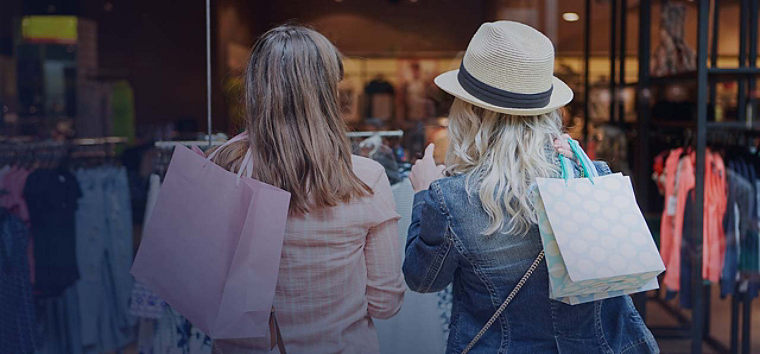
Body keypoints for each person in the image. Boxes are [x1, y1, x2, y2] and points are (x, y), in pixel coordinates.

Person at [403, 21, 658, 353]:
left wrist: (424, 195)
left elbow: (422, 280)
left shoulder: (451, 198)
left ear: (471, 112)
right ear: (545, 110)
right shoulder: (589, 175)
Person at [209, 25, 405, 353]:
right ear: (328, 91)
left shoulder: (225, 168)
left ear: (256, 88)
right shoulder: (365, 178)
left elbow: (203, 284)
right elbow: (386, 303)